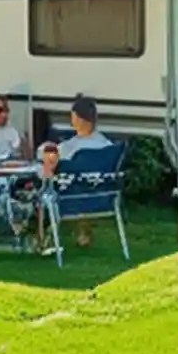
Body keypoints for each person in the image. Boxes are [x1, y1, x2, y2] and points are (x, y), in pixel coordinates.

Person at [38, 95, 112, 248]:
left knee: (42, 184)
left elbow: (51, 161)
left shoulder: (71, 148)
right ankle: (84, 233)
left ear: (77, 119)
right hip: (103, 198)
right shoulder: (108, 146)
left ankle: (41, 238)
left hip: (70, 200)